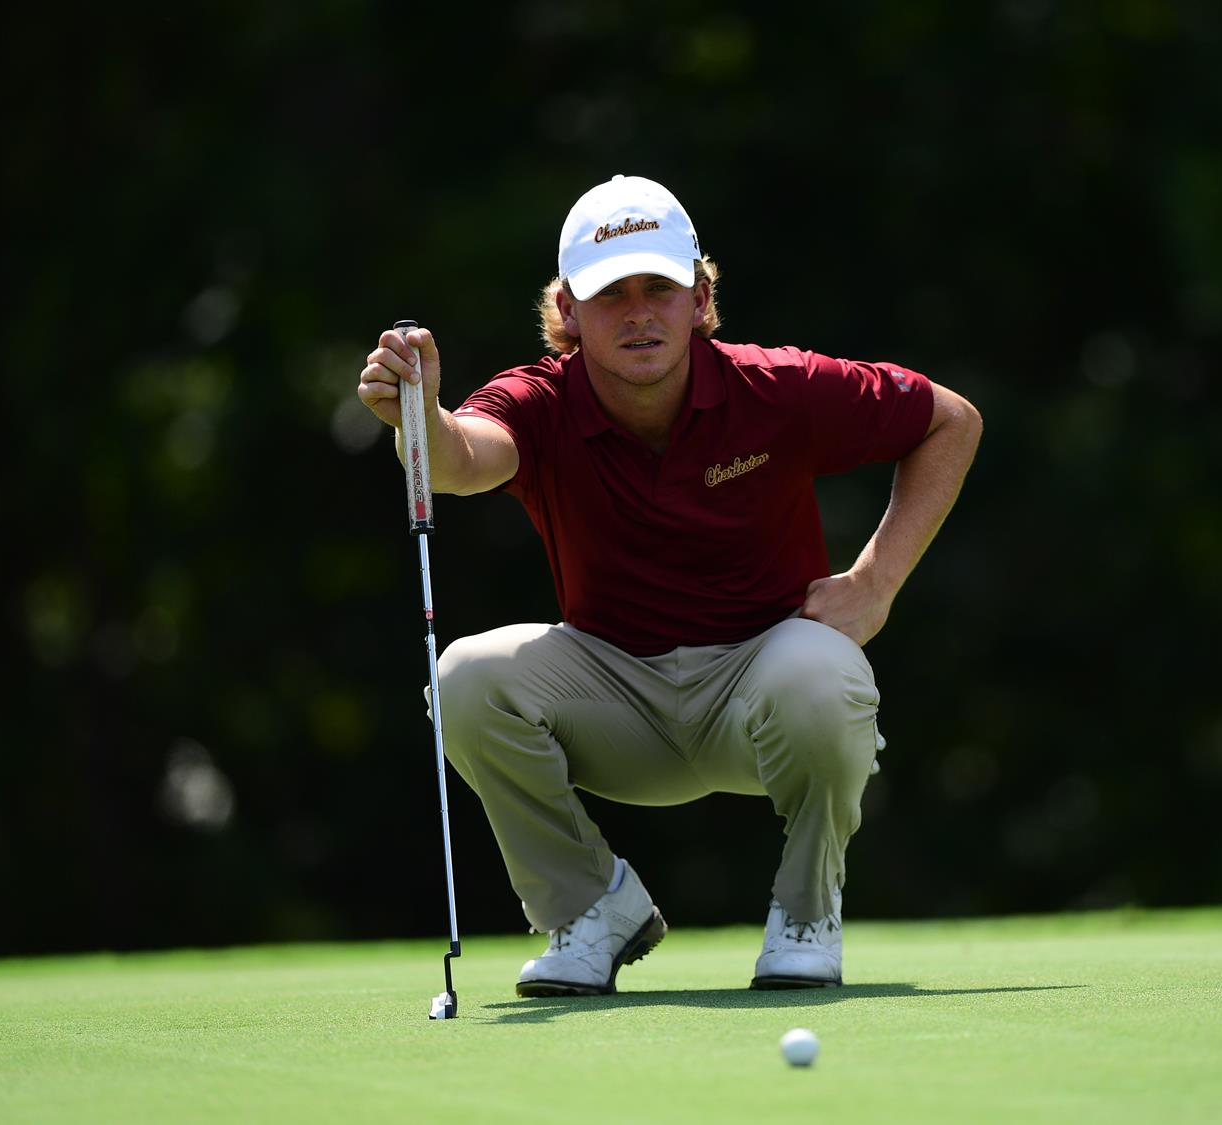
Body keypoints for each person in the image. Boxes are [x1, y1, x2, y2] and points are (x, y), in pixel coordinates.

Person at [355, 174, 981, 995]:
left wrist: (876, 579)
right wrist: (420, 420)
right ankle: (593, 908)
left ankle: (806, 911)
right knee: (466, 677)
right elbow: (462, 458)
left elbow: (949, 419)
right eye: (611, 292)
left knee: (822, 668)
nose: (640, 311)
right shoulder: (540, 401)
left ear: (700, 296)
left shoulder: (776, 387)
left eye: (660, 286)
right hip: (613, 701)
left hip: (761, 689)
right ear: (569, 312)